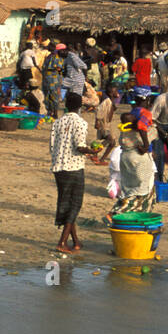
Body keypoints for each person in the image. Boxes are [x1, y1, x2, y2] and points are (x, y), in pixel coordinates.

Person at [50, 92, 94, 253]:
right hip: (74, 167)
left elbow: (52, 146)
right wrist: (92, 151)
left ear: (66, 105)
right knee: (75, 204)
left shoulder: (58, 122)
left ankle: (75, 241)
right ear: (80, 106)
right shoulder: (80, 123)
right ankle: (61, 242)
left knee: (66, 203)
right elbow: (80, 146)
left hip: (58, 167)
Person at [41, 43, 64, 117]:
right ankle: (51, 112)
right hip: (50, 79)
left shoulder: (54, 57)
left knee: (52, 96)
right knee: (50, 95)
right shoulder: (51, 56)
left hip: (51, 78)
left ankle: (53, 112)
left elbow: (58, 68)